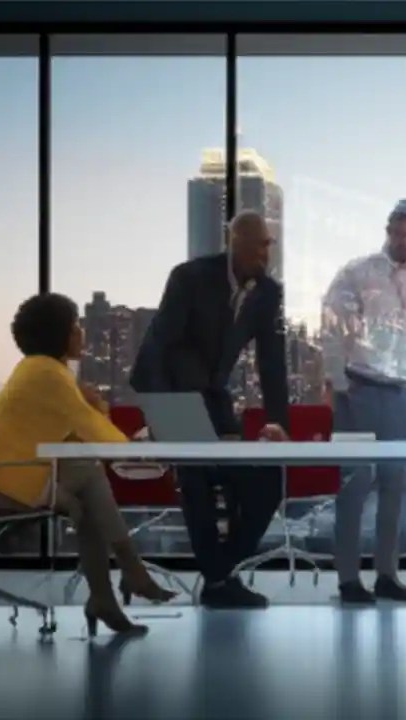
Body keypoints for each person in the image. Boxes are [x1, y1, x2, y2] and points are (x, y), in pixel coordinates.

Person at [0, 293, 177, 637]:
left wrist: (96, 409)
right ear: (59, 333)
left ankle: (113, 589)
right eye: (75, 326)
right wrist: (134, 448)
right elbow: (90, 429)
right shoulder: (48, 374)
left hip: (3, 473)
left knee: (87, 480)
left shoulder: (39, 369)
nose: (82, 333)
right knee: (88, 485)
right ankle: (123, 578)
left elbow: (78, 436)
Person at [130, 210, 290, 609]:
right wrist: (166, 417)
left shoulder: (267, 292)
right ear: (233, 241)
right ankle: (222, 582)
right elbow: (161, 345)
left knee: (265, 479)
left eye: (268, 245)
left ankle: (219, 573)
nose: (264, 254)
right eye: (257, 245)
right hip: (167, 388)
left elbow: (271, 362)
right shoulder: (190, 277)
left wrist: (276, 422)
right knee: (197, 475)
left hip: (212, 394)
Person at [320, 198, 406, 605]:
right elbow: (331, 326)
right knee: (354, 484)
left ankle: (387, 576)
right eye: (397, 230)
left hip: (399, 392)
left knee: (395, 485)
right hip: (357, 389)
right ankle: (347, 579)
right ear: (387, 228)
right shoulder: (358, 272)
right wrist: (339, 383)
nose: (403, 240)